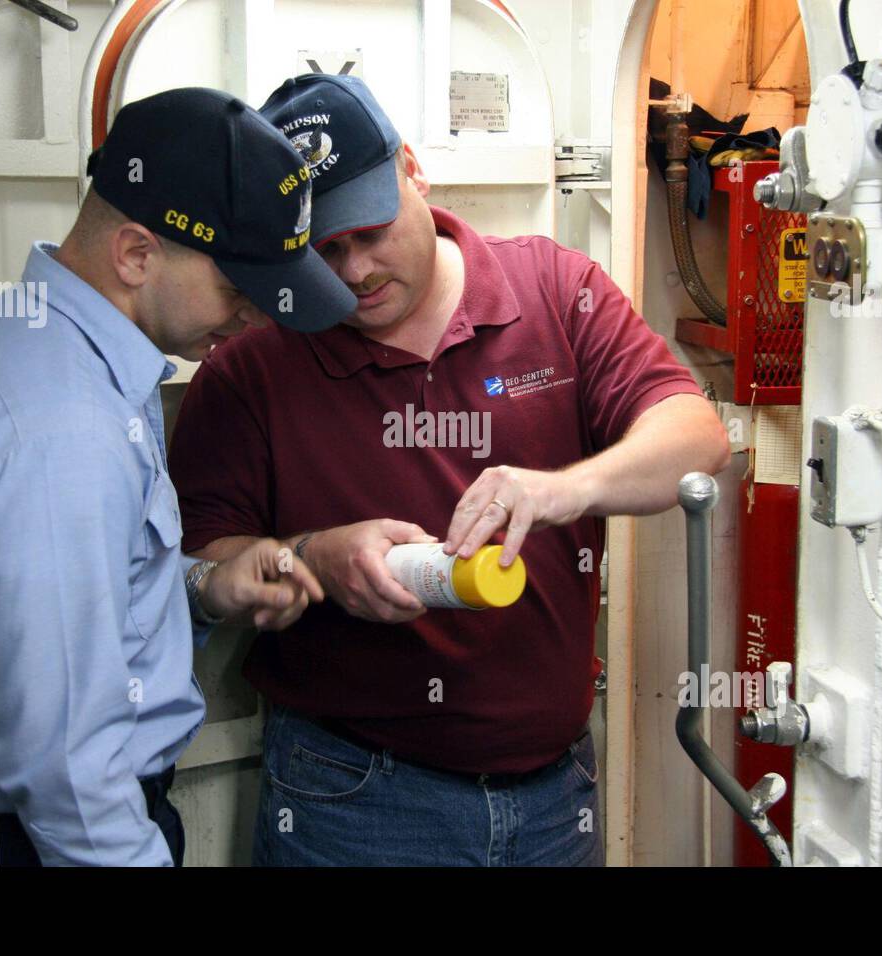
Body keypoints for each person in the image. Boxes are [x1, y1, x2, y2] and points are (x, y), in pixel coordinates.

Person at [168, 75, 730, 866]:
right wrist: (312, 557)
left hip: (554, 795)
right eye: (324, 250)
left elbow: (696, 436)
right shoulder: (253, 365)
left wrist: (562, 489)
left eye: (369, 231)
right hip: (350, 801)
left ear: (412, 171)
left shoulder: (555, 290)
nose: (356, 271)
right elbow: (195, 573)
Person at [0, 87, 354, 866]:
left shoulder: (52, 339)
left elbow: (87, 596)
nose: (256, 317)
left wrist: (204, 586)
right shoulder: (60, 429)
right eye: (238, 290)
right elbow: (67, 770)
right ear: (137, 253)